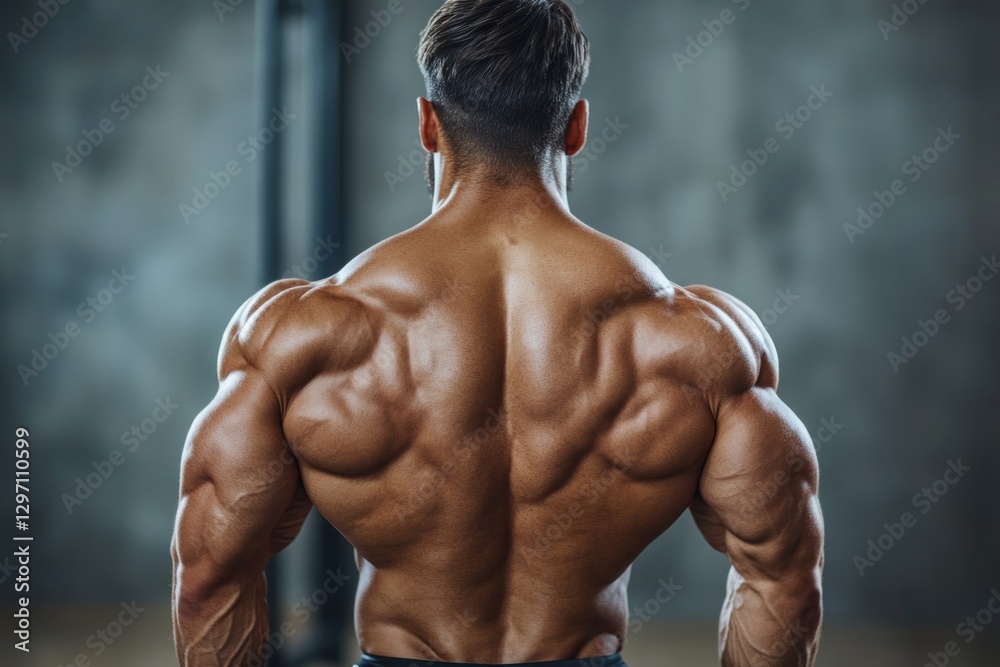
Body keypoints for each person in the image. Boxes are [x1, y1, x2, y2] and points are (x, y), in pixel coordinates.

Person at [170, 1, 824, 665]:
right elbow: (785, 582)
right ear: (576, 126)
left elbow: (206, 583)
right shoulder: (700, 345)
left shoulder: (299, 336)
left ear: (427, 125)